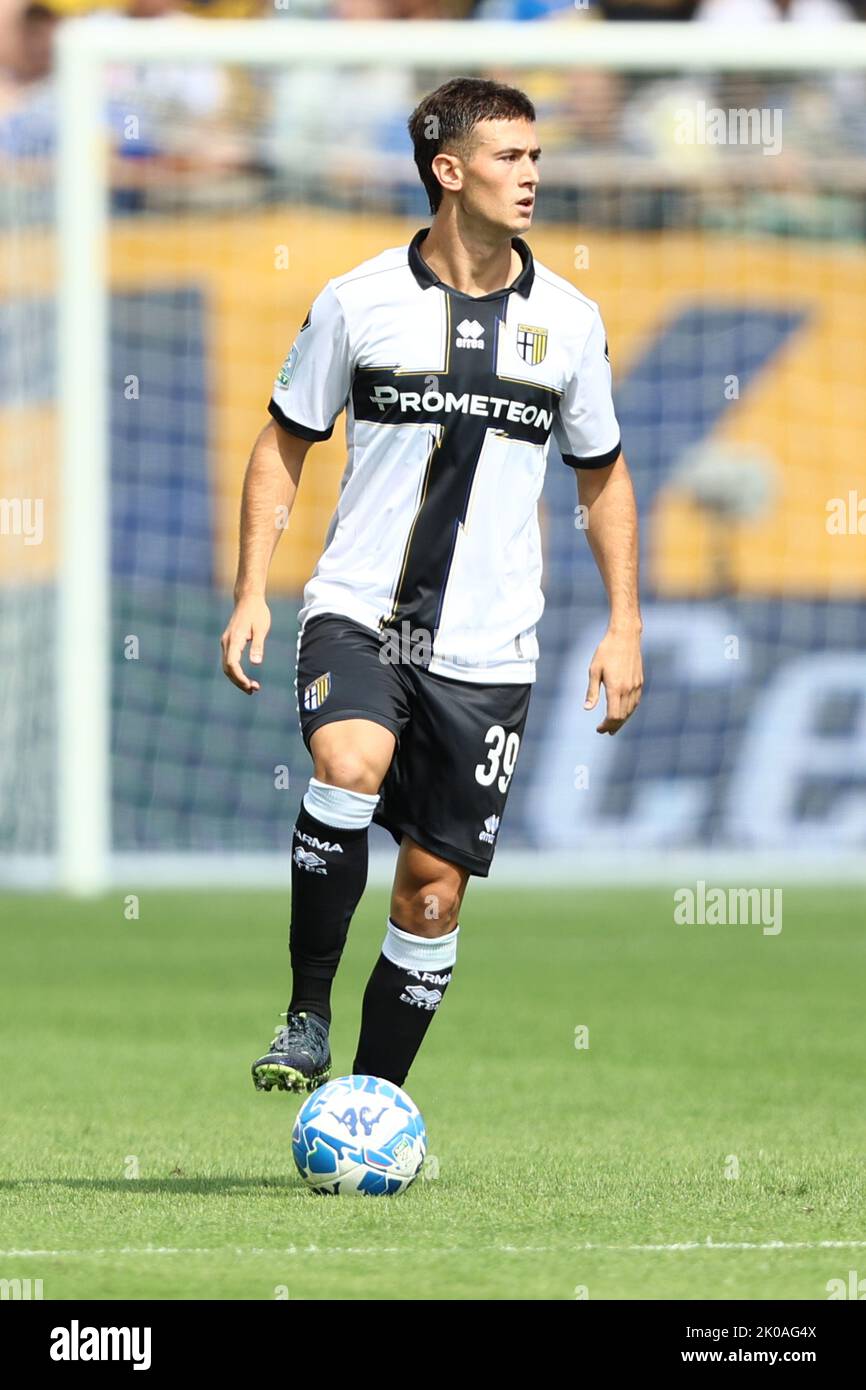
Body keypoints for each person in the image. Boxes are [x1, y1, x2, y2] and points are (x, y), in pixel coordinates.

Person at [220, 76, 644, 1094]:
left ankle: (369, 1101)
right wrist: (250, 589)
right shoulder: (357, 301)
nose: (531, 174)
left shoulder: (571, 323)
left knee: (430, 897)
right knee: (350, 765)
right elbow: (281, 445)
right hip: (359, 613)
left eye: (536, 156)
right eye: (508, 157)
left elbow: (604, 474)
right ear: (446, 172)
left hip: (488, 649)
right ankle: (305, 1013)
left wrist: (624, 623)